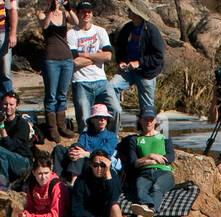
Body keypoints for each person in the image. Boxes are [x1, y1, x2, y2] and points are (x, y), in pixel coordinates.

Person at [111, 0, 163, 127]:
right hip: (128, 71)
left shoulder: (151, 30)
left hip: (146, 73)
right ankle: (114, 129)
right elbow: (120, 47)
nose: (128, 12)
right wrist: (121, 61)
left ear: (137, 14)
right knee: (111, 86)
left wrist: (139, 62)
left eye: (131, 10)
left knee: (147, 108)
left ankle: (148, 134)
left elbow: (158, 56)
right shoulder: (127, 28)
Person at [67, 0, 117, 134]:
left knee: (116, 109)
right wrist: (96, 57)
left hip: (101, 80)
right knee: (84, 118)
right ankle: (86, 143)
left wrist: (86, 54)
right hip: (81, 82)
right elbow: (75, 62)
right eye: (83, 12)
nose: (86, 14)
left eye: (88, 12)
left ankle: (112, 138)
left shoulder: (100, 31)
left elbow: (108, 56)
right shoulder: (72, 33)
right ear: (77, 14)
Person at [52, 99, 117, 182]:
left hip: (96, 163)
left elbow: (105, 154)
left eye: (104, 118)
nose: (102, 120)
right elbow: (79, 147)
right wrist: (72, 152)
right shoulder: (85, 134)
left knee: (80, 154)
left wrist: (86, 154)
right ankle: (57, 178)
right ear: (92, 120)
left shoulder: (112, 137)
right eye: (98, 118)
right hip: (79, 158)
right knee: (61, 148)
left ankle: (74, 180)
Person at [40, 1, 77, 144]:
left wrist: (67, 6)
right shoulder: (43, 14)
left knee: (62, 94)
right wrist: (51, 10)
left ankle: (62, 126)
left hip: (66, 58)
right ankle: (52, 128)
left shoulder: (64, 15)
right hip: (51, 60)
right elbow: (44, 25)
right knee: (51, 95)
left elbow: (76, 21)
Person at [124, 109, 173, 214]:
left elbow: (170, 157)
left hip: (164, 172)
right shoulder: (135, 139)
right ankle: (147, 210)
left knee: (157, 187)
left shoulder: (164, 137)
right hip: (144, 173)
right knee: (140, 189)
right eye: (145, 119)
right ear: (140, 120)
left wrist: (149, 160)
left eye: (151, 119)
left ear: (155, 121)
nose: (148, 122)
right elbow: (133, 162)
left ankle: (151, 209)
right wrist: (151, 156)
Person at [0, 89, 33, 183]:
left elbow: (10, 147)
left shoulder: (22, 124)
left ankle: (3, 186)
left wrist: (1, 127)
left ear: (17, 106)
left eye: (11, 104)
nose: (8, 107)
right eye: (5, 104)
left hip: (22, 162)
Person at [0, 0, 17, 99]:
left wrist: (13, 33)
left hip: (3, 33)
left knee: (5, 72)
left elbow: (12, 9)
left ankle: (8, 102)